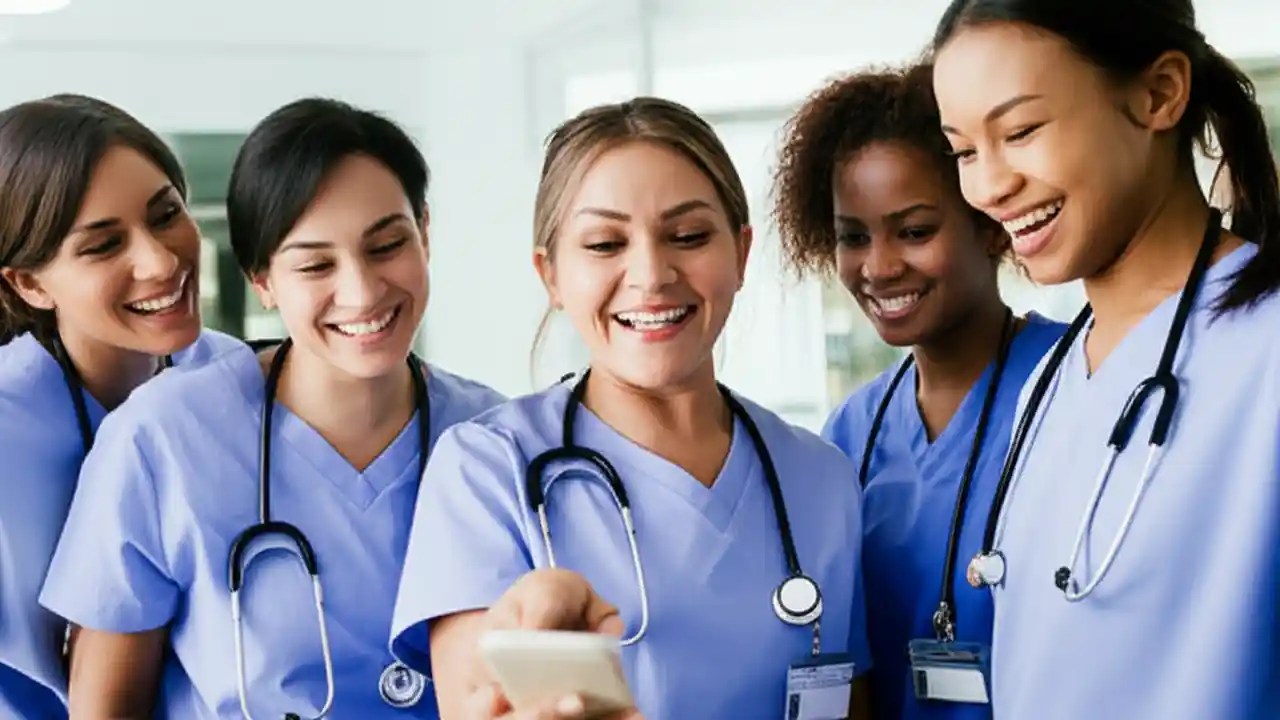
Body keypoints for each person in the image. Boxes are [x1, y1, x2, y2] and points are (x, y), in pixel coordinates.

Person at [388, 96, 873, 719]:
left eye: (689, 236)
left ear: (742, 253)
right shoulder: (489, 471)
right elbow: (478, 707)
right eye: (603, 244)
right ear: (551, 275)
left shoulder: (821, 476)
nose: (650, 274)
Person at [39, 97, 505, 718]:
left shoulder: (493, 438)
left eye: (388, 244)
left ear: (425, 231)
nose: (362, 292)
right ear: (262, 278)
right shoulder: (162, 439)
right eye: (315, 263)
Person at [929, 1, 1280, 717]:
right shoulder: (1048, 385)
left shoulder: (1266, 352)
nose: (988, 186)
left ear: (1158, 94)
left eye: (1021, 131)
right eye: (964, 151)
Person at [769, 64, 1066, 719]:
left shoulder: (1077, 379)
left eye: (914, 231)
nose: (878, 266)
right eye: (854, 236)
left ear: (991, 223)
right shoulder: (851, 432)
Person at [0, 94, 241, 718]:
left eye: (166, 215)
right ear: (28, 283)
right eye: (103, 246)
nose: (161, 261)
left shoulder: (245, 386)